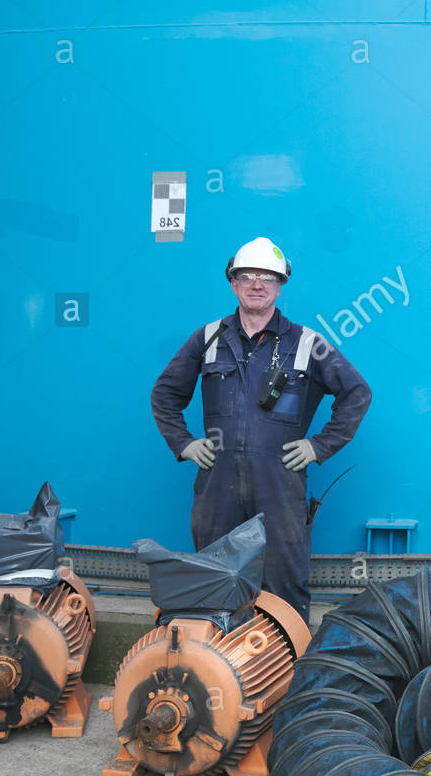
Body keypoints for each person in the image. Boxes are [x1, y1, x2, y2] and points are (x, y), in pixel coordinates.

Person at [151, 237, 372, 619]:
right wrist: (184, 443)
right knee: (216, 581)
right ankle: (222, 669)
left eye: (266, 278)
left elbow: (357, 393)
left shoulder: (307, 343)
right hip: (216, 488)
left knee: (283, 587)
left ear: (280, 285)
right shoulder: (206, 339)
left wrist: (319, 446)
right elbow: (165, 394)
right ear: (233, 283)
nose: (257, 285)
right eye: (247, 276)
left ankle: (286, 672)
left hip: (279, 488)